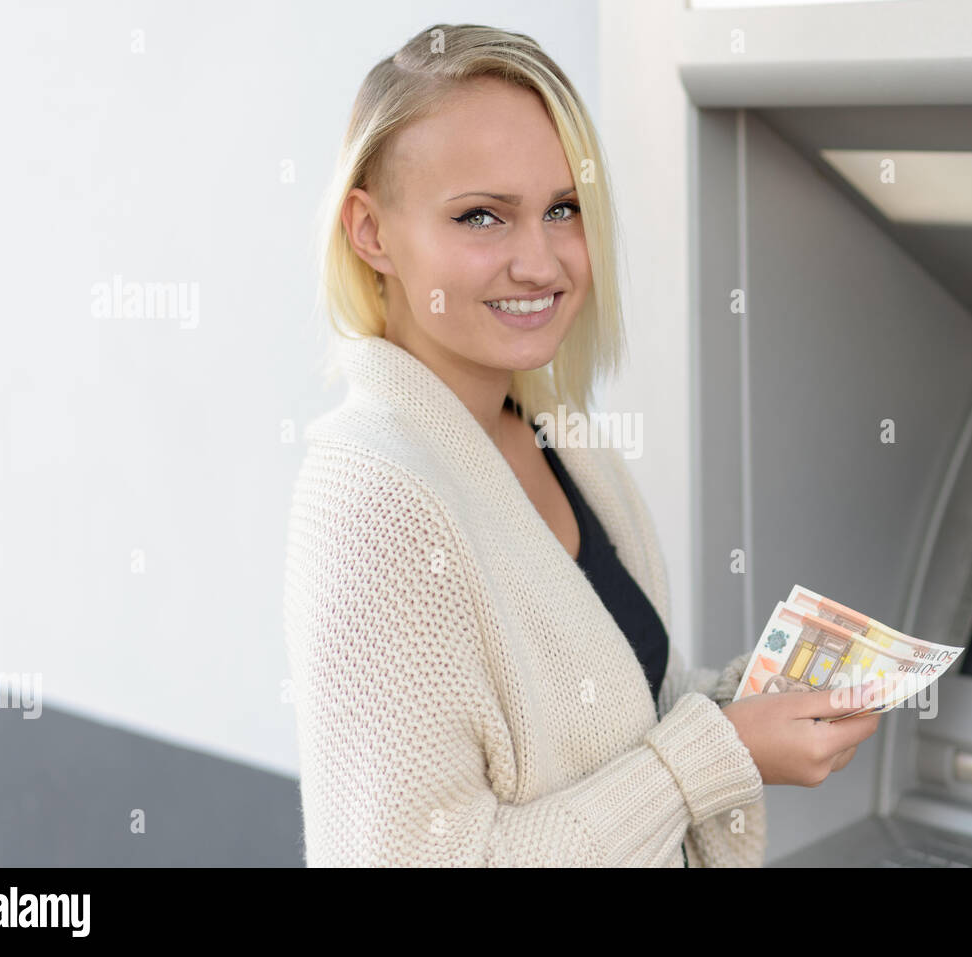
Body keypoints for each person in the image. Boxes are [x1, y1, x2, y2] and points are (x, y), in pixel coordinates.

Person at [282, 22, 881, 867]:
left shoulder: (557, 435)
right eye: (481, 216)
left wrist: (743, 703)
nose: (540, 261)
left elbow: (612, 729)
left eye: (562, 209)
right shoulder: (376, 500)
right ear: (371, 233)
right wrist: (723, 751)